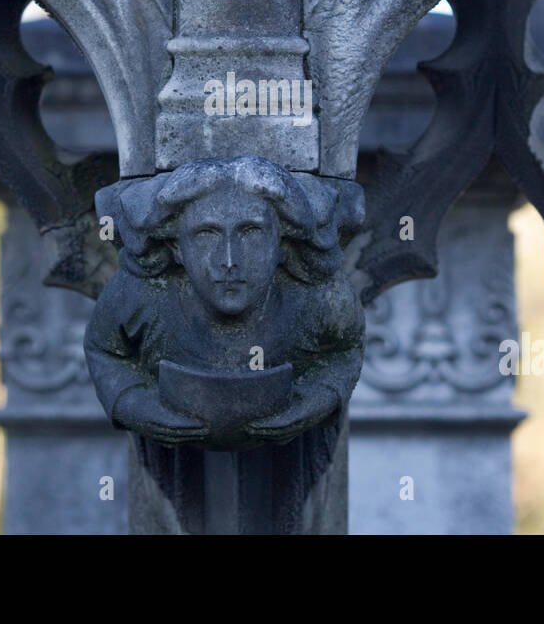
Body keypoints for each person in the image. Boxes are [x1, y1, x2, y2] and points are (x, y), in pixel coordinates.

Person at [84, 157, 364, 447]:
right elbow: (103, 349)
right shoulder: (137, 293)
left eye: (250, 232)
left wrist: (320, 399)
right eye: (206, 234)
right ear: (176, 248)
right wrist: (130, 403)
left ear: (282, 244)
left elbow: (347, 349)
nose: (229, 260)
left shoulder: (320, 295)